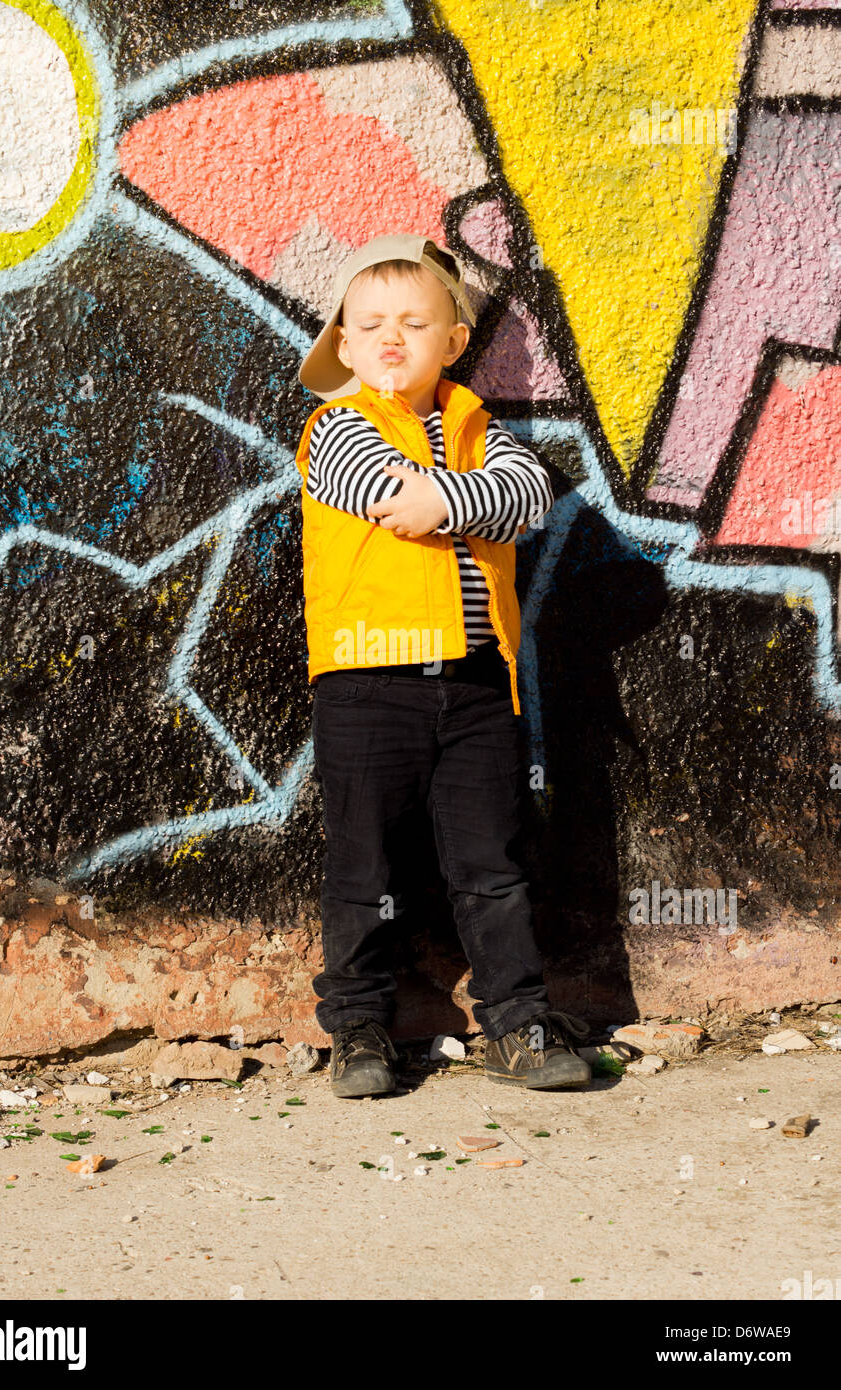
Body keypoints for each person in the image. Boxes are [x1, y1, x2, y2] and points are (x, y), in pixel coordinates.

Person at [294, 234, 592, 1098]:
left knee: (492, 867)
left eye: (416, 322)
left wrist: (444, 497)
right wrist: (459, 501)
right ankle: (357, 1027)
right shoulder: (334, 428)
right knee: (364, 869)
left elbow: (528, 497)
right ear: (344, 347)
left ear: (452, 343)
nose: (393, 337)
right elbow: (393, 500)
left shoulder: (475, 424)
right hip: (364, 685)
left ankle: (519, 1023)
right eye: (372, 324)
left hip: (474, 687)